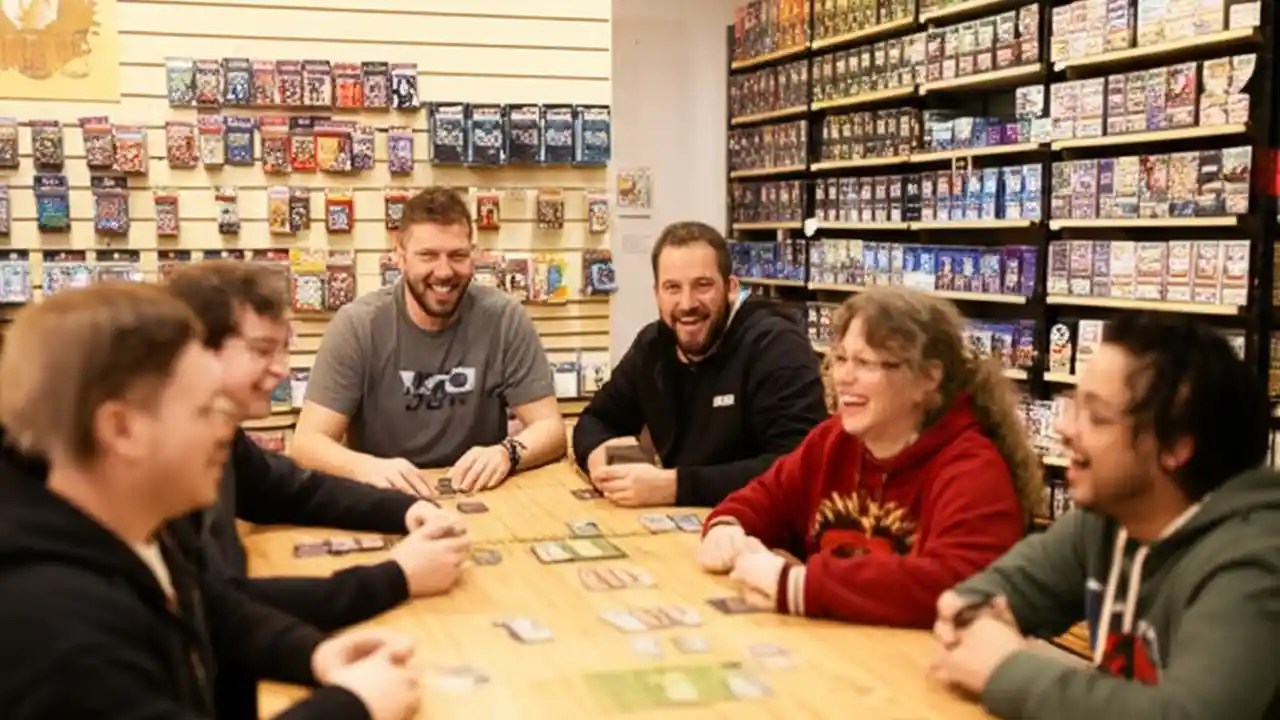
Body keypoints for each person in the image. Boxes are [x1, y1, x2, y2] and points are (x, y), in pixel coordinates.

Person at [0, 283, 420, 720]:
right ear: (121, 429)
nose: (226, 432)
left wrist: (314, 653)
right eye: (204, 411)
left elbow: (210, 607)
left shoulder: (134, 523)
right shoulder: (55, 627)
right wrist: (353, 706)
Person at [932, 313, 1280, 719]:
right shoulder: (1109, 519)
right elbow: (971, 601)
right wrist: (980, 633)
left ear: (1175, 448)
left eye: (1096, 417)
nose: (1063, 427)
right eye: (1071, 404)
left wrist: (1007, 671)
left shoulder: (1255, 562)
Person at [164, 260, 471, 717]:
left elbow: (290, 492)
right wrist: (394, 577)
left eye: (284, 350)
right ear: (194, 355)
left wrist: (406, 509)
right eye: (263, 349)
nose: (283, 370)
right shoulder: (77, 579)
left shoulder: (214, 439)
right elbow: (217, 601)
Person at [697, 286, 1042, 627]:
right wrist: (727, 526)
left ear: (928, 378)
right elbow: (763, 498)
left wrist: (799, 584)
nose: (844, 377)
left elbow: (959, 584)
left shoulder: (972, 468)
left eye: (865, 363)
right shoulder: (832, 440)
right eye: (841, 359)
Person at [293, 186, 566, 493]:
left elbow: (551, 429)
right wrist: (367, 467)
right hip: (385, 497)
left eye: (458, 256)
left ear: (474, 255)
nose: (444, 271)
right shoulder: (358, 325)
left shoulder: (504, 318)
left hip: (480, 495)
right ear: (400, 257)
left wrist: (507, 453)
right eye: (428, 256)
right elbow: (306, 444)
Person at [572, 221, 827, 507]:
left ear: (731, 288)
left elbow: (799, 466)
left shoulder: (776, 346)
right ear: (656, 293)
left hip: (763, 533)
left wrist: (674, 487)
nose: (687, 303)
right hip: (684, 528)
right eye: (672, 288)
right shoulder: (653, 344)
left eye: (702, 285)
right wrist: (602, 457)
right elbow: (596, 419)